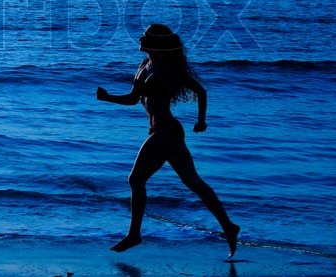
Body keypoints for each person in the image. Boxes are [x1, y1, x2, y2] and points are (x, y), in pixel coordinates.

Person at [95, 23, 240, 257]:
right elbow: (133, 99)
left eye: (147, 35)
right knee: (194, 183)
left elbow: (201, 91)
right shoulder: (144, 65)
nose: (141, 37)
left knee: (135, 179)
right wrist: (107, 98)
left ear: (158, 43)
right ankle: (229, 226)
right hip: (162, 132)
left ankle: (134, 235)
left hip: (167, 132)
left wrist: (201, 120)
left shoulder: (170, 68)